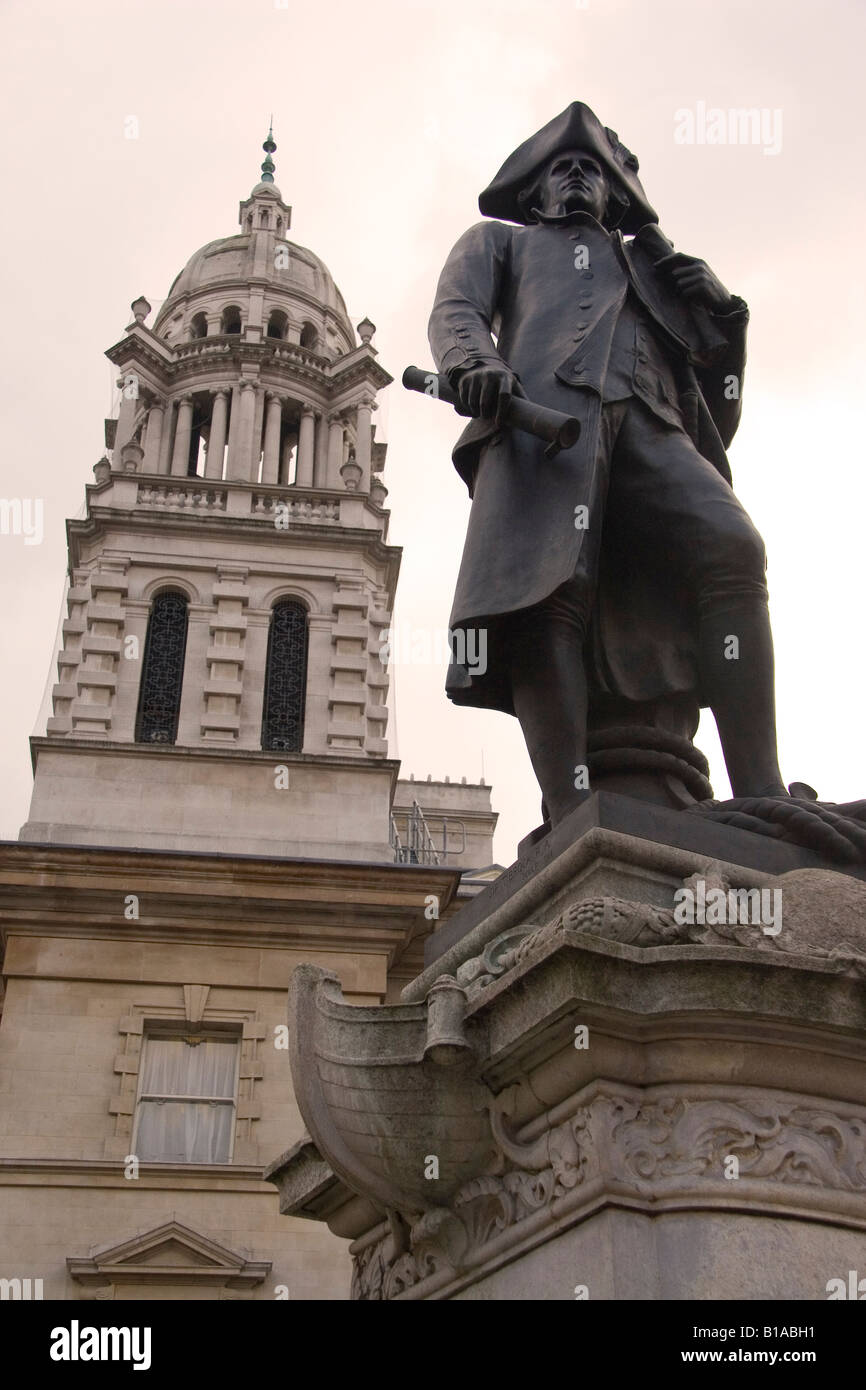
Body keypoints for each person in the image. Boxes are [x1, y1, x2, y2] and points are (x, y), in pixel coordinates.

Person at [428, 101, 789, 827]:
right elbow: (456, 311)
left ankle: (762, 791)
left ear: (613, 194)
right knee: (548, 594)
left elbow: (719, 413)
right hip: (547, 426)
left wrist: (728, 327)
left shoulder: (653, 269)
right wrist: (476, 364)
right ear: (534, 194)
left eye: (588, 171)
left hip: (654, 427)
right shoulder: (500, 242)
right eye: (561, 171)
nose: (573, 181)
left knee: (732, 548)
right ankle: (572, 807)